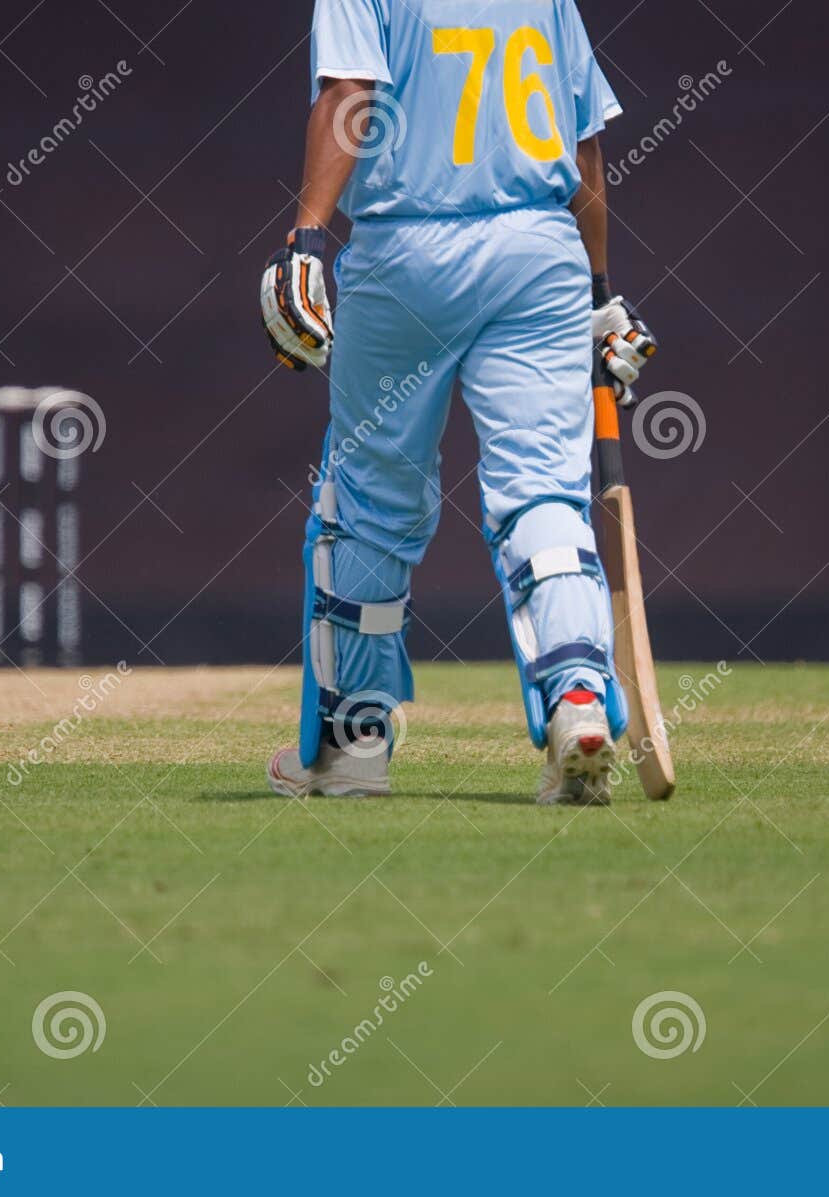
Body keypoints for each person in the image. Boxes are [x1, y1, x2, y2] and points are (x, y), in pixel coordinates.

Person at [262, 0, 659, 804]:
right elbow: (584, 150)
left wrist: (306, 236)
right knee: (545, 490)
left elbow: (348, 95)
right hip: (540, 255)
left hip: (406, 253)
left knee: (371, 499)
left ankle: (353, 743)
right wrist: (601, 294)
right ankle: (578, 699)